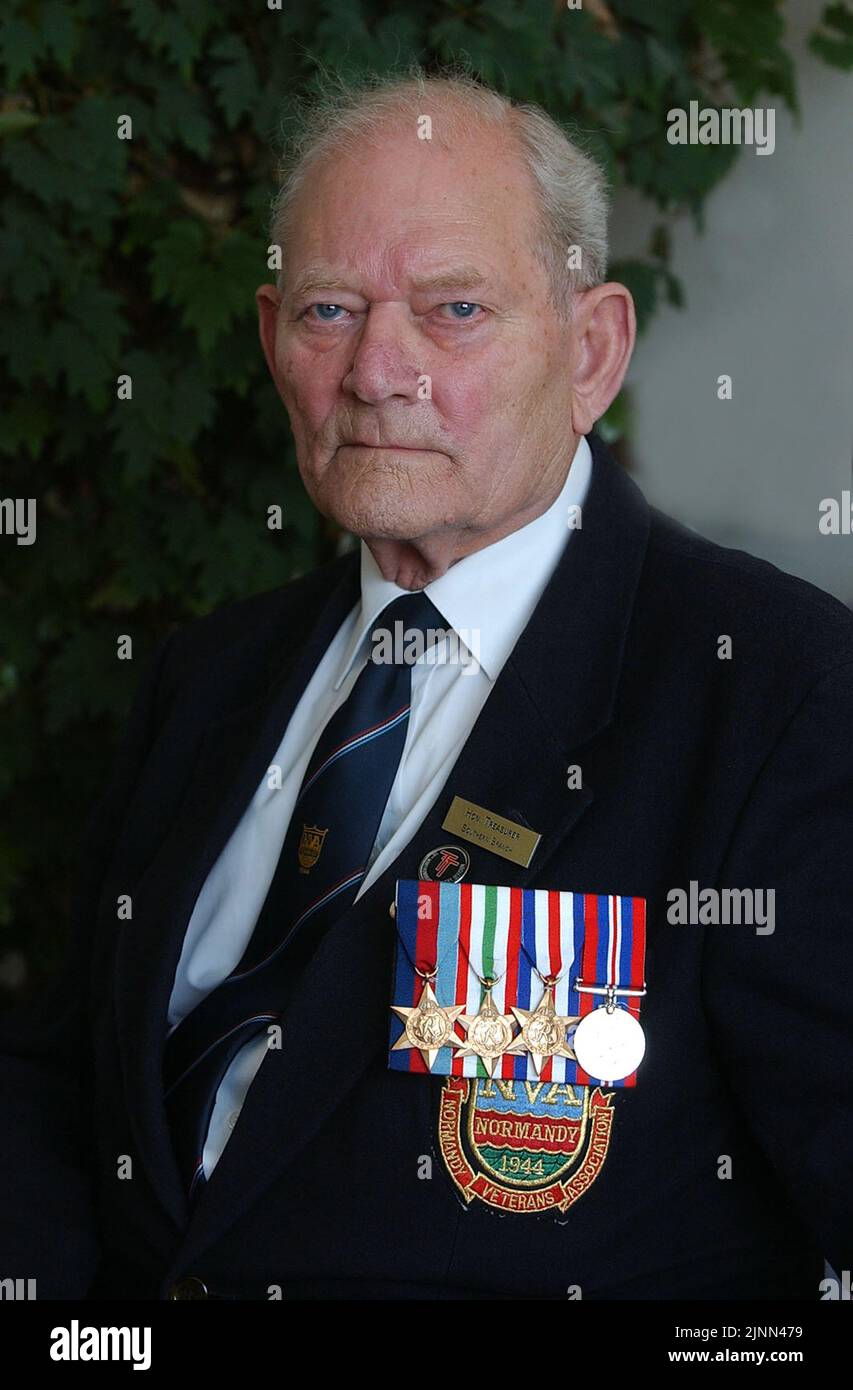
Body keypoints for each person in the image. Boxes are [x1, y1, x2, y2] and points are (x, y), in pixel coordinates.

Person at [2, 69, 852, 1302]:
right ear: (269, 336)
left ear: (591, 348)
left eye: (453, 308)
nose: (375, 371)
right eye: (329, 310)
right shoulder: (209, 676)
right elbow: (62, 1081)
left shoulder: (774, 698)